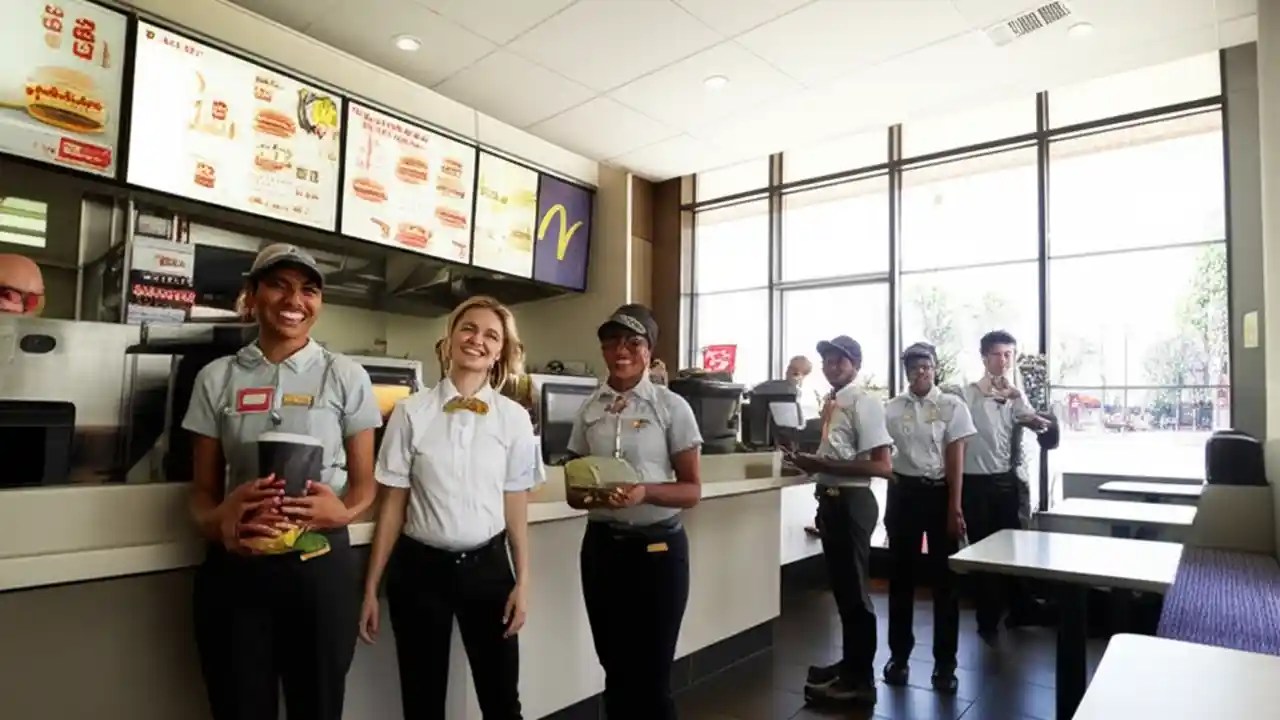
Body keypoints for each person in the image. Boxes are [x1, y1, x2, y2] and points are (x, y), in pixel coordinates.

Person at [183, 243, 381, 720]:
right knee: (238, 707)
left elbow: (365, 486)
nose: (295, 299)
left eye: (309, 290)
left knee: (318, 706)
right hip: (237, 570)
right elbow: (201, 494)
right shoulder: (217, 377)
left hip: (318, 568)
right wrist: (218, 521)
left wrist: (345, 512)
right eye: (279, 285)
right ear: (252, 295)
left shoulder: (345, 375)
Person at [360, 295, 540, 719]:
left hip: (489, 569)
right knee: (422, 704)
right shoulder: (409, 412)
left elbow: (515, 502)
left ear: (500, 353)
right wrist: (370, 587)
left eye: (491, 336)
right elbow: (393, 506)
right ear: (450, 338)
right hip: (419, 571)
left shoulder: (513, 418)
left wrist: (523, 581)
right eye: (469, 328)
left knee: (501, 702)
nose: (477, 340)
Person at [565, 304, 703, 720]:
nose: (621, 349)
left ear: (649, 351)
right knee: (616, 670)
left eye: (633, 341)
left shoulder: (670, 406)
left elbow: (692, 490)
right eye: (612, 342)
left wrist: (643, 492)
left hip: (658, 551)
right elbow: (574, 482)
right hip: (603, 550)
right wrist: (591, 494)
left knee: (652, 676)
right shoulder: (590, 408)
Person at [786, 336, 893, 707]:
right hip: (832, 501)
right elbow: (836, 453)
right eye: (828, 361)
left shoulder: (864, 402)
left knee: (855, 596)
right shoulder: (835, 401)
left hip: (852, 502)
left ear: (855, 365)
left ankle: (860, 681)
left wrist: (825, 466)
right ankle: (850, 663)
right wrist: (810, 462)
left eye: (840, 362)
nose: (832, 367)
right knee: (844, 593)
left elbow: (882, 466)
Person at [882, 342, 976, 694]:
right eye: (915, 367)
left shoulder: (951, 405)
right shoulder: (891, 408)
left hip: (939, 495)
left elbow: (956, 459)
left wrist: (955, 507)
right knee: (900, 579)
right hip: (903, 495)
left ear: (936, 368)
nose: (922, 372)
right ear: (906, 371)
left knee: (944, 583)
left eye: (927, 366)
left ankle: (945, 664)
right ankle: (899, 658)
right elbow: (880, 452)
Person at [959, 330, 1053, 644]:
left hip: (1005, 483)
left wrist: (1039, 420)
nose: (1004, 360)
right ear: (985, 357)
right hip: (974, 483)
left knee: (1012, 548)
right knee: (982, 551)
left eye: (1009, 354)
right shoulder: (968, 394)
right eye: (998, 354)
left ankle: (1020, 608)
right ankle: (987, 618)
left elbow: (1034, 421)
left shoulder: (1014, 394)